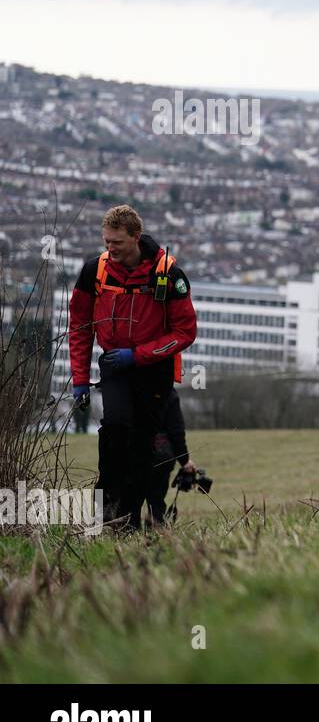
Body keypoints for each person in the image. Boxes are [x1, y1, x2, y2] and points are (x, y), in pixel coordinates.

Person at [68, 204, 197, 530]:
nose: (110, 249)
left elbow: (185, 332)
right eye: (107, 241)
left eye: (117, 243)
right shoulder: (93, 272)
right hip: (114, 366)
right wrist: (80, 380)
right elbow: (80, 325)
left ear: (136, 238)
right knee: (115, 431)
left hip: (154, 371)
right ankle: (105, 514)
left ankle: (130, 522)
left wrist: (137, 355)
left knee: (143, 447)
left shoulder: (169, 275)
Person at [146, 388, 201, 524]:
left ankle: (127, 532)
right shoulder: (168, 392)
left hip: (131, 451)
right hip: (160, 454)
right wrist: (185, 460)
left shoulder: (127, 387)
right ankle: (155, 534)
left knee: (131, 500)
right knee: (156, 500)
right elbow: (176, 430)